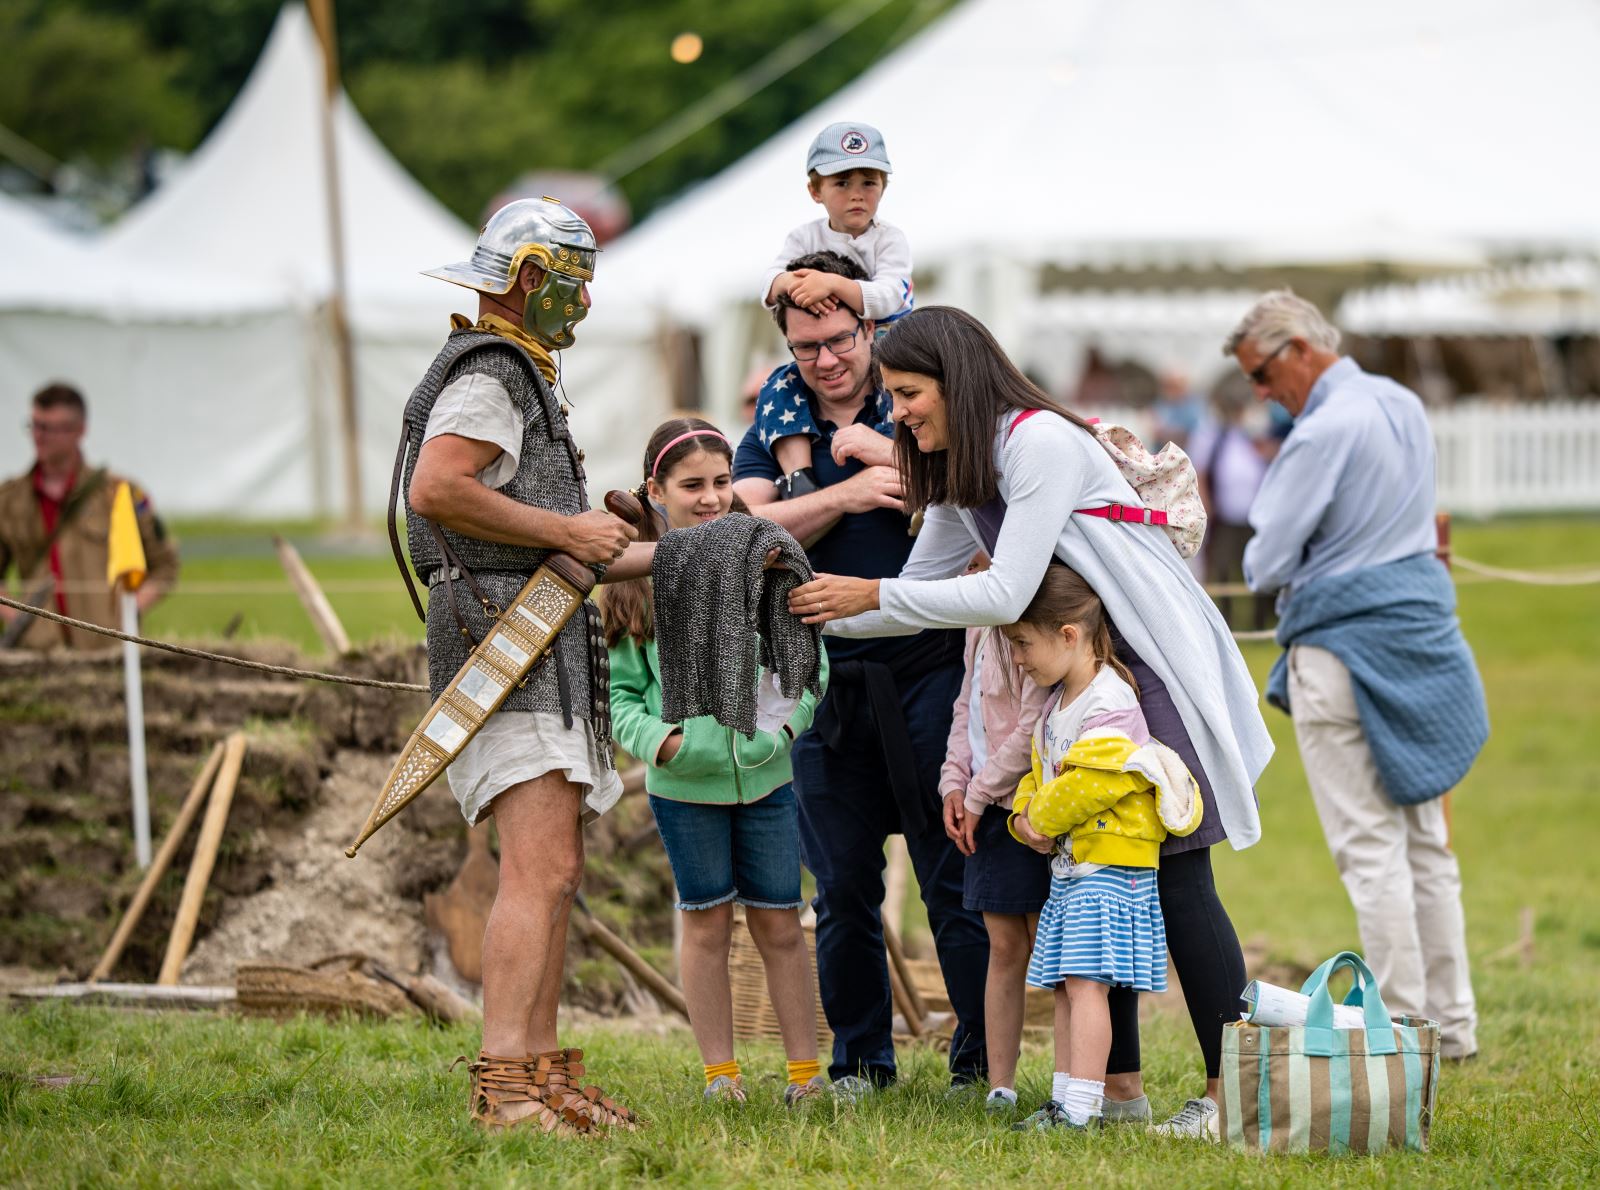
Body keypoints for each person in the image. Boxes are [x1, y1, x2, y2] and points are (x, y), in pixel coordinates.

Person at [790, 305, 1273, 1137]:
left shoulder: (1038, 444)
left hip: (1145, 665)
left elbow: (1004, 594)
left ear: (957, 380)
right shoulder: (961, 470)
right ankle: (1120, 1092)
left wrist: (867, 596)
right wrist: (814, 620)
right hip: (1081, 671)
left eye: (907, 394)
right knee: (1096, 869)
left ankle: (1239, 1094)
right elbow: (921, 597)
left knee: (1181, 875)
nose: (897, 412)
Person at [404, 197, 648, 1135]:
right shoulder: (491, 371)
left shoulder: (522, 372)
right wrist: (564, 529)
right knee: (535, 871)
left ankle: (542, 1077)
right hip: (501, 643)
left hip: (538, 643)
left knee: (556, 869)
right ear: (534, 280)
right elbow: (438, 489)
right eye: (577, 284)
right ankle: (506, 1089)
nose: (585, 304)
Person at [732, 253, 990, 1097]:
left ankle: (979, 1056)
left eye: (839, 338)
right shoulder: (774, 414)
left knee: (952, 866)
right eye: (807, 346)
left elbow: (969, 495)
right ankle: (860, 1060)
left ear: (867, 325)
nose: (826, 359)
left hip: (926, 667)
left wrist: (899, 476)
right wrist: (842, 499)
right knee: (842, 882)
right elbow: (750, 529)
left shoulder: (913, 396)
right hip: (818, 678)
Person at [1228, 289, 1483, 1061]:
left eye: (1263, 376)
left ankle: (1404, 1029)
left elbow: (1264, 561)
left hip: (1341, 646)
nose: (1263, 395)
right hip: (1422, 633)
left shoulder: (1320, 433)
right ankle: (1456, 1025)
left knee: (1370, 848)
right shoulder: (1401, 401)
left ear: (1300, 349)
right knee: (1426, 843)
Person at [603, 417, 830, 1108]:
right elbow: (619, 697)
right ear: (656, 491)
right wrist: (664, 744)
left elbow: (810, 664)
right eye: (691, 485)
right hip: (684, 787)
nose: (710, 497)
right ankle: (721, 1078)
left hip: (767, 780)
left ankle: (804, 1077)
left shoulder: (768, 564)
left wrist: (785, 732)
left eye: (722, 482)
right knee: (705, 923)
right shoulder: (635, 585)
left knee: (780, 923)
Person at [1003, 563, 1201, 1130]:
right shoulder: (1056, 703)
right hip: (1075, 869)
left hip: (1111, 868)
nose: (1019, 658)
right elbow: (1040, 774)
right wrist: (1023, 818)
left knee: (1087, 988)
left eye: (1023, 644)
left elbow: (1098, 782)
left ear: (1069, 635)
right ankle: (1067, 1099)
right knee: (1070, 985)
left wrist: (1038, 815)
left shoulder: (1111, 700)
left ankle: (1081, 1108)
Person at [938, 560, 1052, 1115]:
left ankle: (1075, 1081)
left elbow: (1032, 724)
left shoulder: (1032, 626)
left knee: (1053, 949)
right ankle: (1000, 1085)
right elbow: (966, 707)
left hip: (1028, 805)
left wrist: (980, 794)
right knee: (1003, 947)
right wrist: (953, 781)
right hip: (985, 806)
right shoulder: (977, 623)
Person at [757, 122, 912, 497]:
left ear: (884, 187)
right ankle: (800, 476)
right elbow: (769, 282)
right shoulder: (804, 236)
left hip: (895, 345)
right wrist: (795, 285)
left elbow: (891, 295)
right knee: (780, 385)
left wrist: (832, 285)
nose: (856, 195)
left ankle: (910, 476)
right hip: (847, 341)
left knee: (902, 400)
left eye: (868, 183)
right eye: (842, 184)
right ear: (815, 191)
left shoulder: (889, 239)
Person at [0, 382, 179, 650]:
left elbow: (165, 566)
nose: (38, 436)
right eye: (34, 425)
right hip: (39, 655)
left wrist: (128, 613)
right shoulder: (10, 499)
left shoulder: (120, 495)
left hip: (107, 654)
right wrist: (16, 618)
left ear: (79, 430)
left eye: (49, 428)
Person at [1189, 391, 1273, 630]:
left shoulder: (1254, 437)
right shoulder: (1215, 436)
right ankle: (1225, 622)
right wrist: (1206, 504)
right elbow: (1201, 472)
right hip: (1225, 517)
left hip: (1254, 516)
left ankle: (1259, 622)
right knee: (1223, 568)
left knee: (1256, 569)